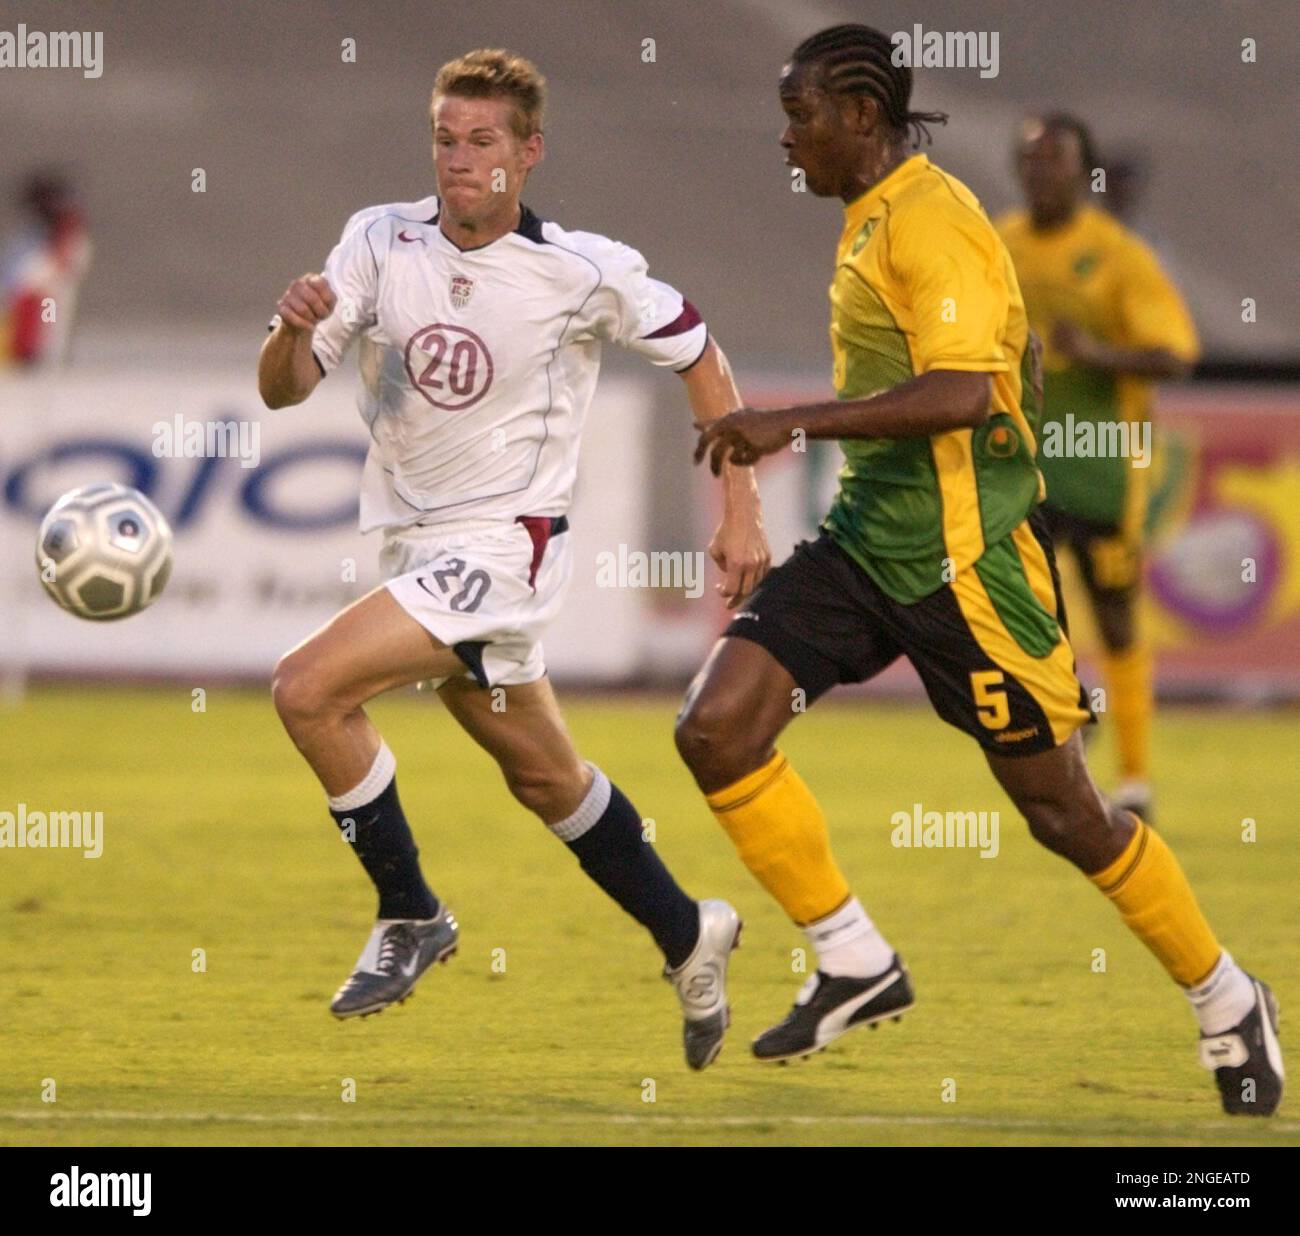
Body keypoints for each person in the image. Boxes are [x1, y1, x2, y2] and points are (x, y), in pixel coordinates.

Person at [680, 24, 1281, 1114]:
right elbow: (994, 358)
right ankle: (854, 960)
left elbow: (959, 390)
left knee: (1065, 815)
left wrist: (789, 423)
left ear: (861, 116)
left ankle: (1228, 998)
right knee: (715, 728)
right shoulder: (879, 216)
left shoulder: (930, 219)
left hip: (966, 565)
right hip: (871, 539)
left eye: (801, 114)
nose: (785, 137)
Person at [257, 48, 769, 1070]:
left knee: (307, 691)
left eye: (482, 142)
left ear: (527, 153)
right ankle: (686, 930)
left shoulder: (580, 272)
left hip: (504, 550)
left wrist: (740, 509)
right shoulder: (377, 238)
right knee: (546, 779)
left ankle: (410, 912)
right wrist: (295, 328)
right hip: (417, 543)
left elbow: (699, 353)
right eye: (445, 140)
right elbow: (282, 389)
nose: (459, 160)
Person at [997, 115, 1199, 823]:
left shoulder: (1118, 254)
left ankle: (1136, 780)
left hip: (1102, 467)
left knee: (1115, 615)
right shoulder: (1001, 242)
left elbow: (1174, 355)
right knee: (1026, 608)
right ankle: (1068, 715)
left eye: (1054, 162)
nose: (1040, 173)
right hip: (1021, 466)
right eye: (1029, 162)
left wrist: (1094, 353)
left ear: (1084, 174)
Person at [0, 170, 92, 368]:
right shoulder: (28, 238)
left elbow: (44, 283)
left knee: (45, 312)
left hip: (39, 316)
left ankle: (33, 354)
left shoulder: (70, 244)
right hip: (15, 316)